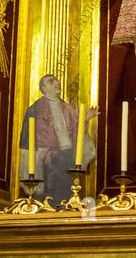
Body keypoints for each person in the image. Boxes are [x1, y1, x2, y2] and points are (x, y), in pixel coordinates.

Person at [19, 75, 97, 206]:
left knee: (65, 186)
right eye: (51, 82)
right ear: (43, 88)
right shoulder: (35, 109)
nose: (57, 83)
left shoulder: (67, 109)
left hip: (67, 155)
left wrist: (85, 120)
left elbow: (76, 134)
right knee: (52, 188)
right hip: (46, 157)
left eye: (57, 80)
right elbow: (27, 141)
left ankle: (64, 205)